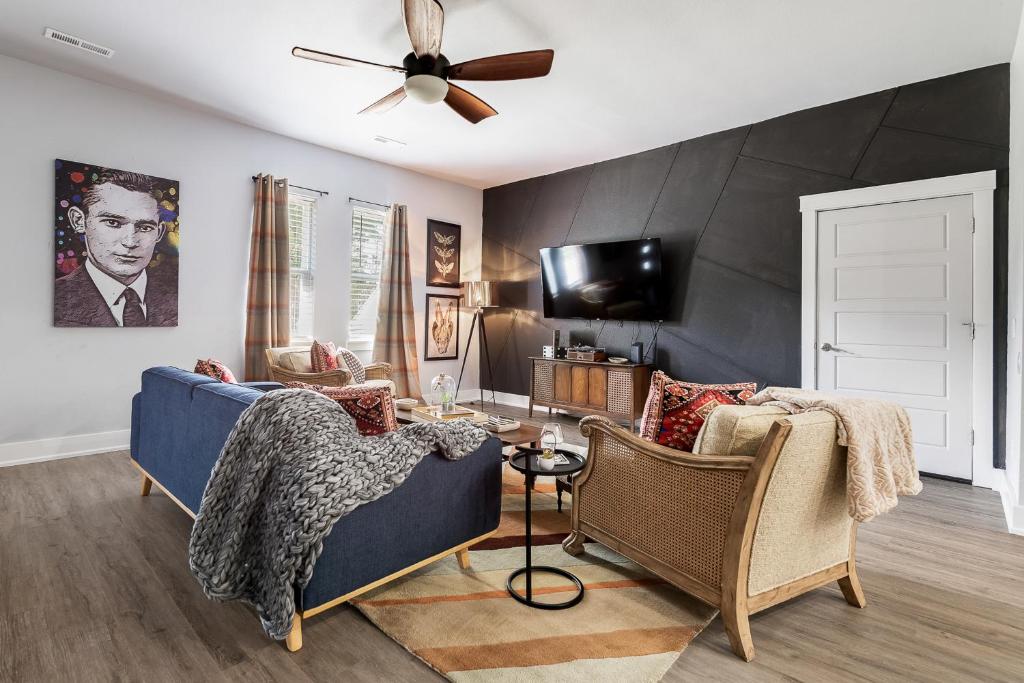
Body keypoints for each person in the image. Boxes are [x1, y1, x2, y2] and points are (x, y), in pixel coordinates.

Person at [54, 170, 177, 326]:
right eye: (113, 223)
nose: (130, 242)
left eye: (145, 227)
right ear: (79, 221)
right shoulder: (56, 299)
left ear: (159, 233)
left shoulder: (178, 297)